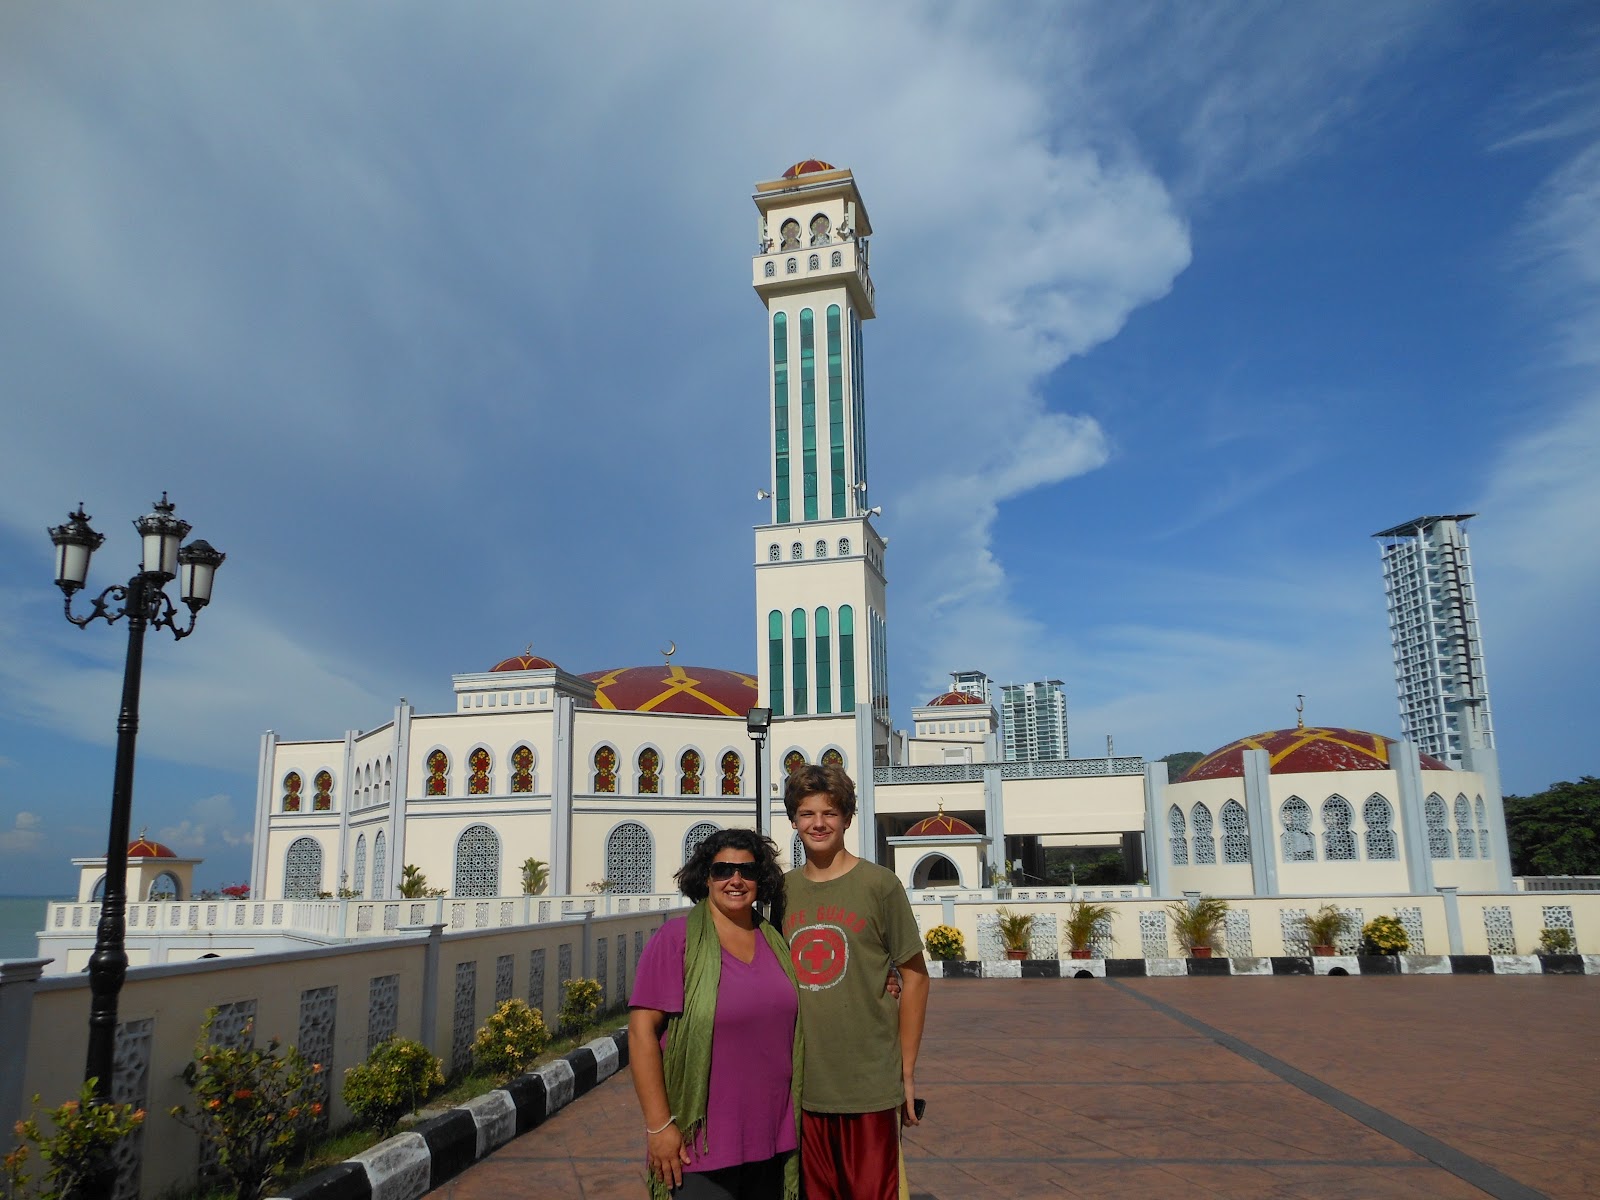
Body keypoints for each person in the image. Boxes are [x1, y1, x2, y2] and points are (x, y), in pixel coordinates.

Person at [781, 763, 930, 1200]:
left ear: (847, 818)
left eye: (829, 812)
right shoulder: (780, 893)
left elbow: (916, 977)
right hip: (803, 1085)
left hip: (868, 1083)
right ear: (793, 820)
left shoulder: (879, 886)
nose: (818, 823)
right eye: (807, 814)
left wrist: (905, 1071)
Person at [629, 828, 802, 1200]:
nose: (735, 880)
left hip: (772, 1137)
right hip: (700, 1145)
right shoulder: (677, 941)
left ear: (761, 879)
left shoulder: (774, 942)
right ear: (706, 877)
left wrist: (886, 975)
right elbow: (641, 1032)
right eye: (723, 870)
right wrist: (659, 1127)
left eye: (748, 871)